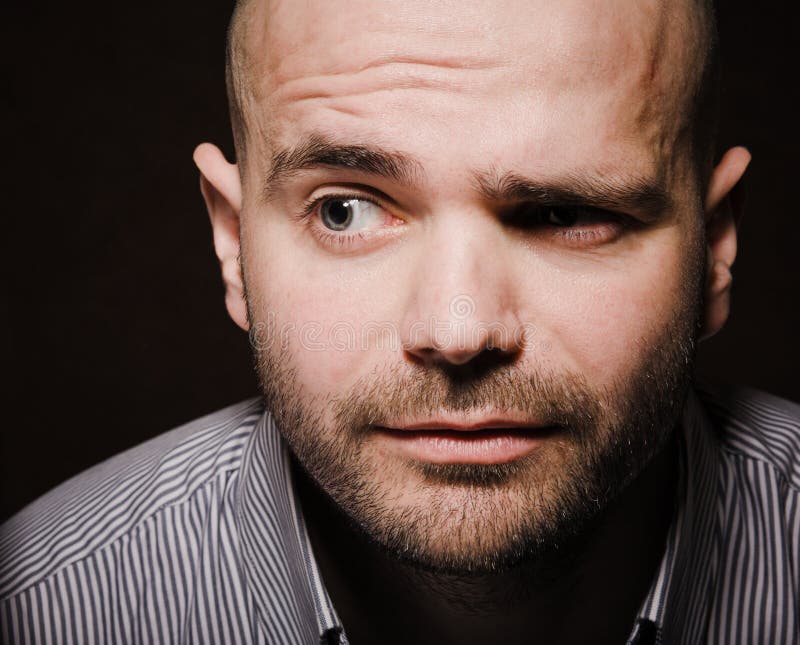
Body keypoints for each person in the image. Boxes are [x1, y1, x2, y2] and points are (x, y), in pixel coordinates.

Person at [1, 0, 798, 643]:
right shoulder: (34, 610)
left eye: (567, 212)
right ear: (233, 243)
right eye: (344, 210)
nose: (457, 330)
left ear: (714, 249)